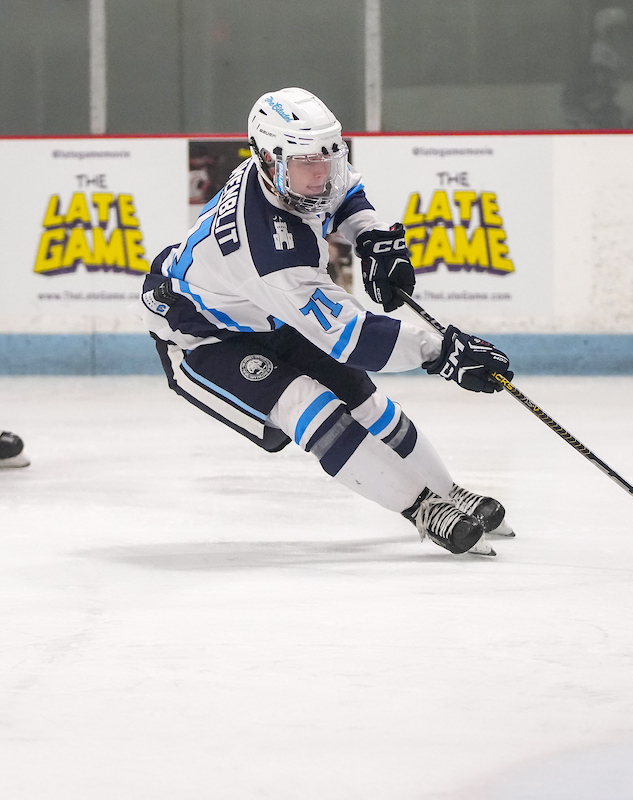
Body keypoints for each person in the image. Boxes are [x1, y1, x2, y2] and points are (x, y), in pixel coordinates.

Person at [140, 87, 515, 557]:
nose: (320, 175)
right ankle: (423, 509)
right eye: (306, 164)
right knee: (309, 404)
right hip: (203, 339)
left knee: (363, 397)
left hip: (266, 315)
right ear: (268, 159)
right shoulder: (268, 251)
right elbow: (351, 339)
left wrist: (374, 238)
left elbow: (347, 192)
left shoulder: (284, 171)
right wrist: (442, 352)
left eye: (326, 158)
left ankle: (449, 492)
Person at [562, 6, 629, 129]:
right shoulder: (600, 53)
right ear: (607, 32)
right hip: (586, 111)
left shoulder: (609, 52)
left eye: (623, 31)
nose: (621, 35)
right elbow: (598, 91)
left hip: (592, 108)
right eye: (617, 30)